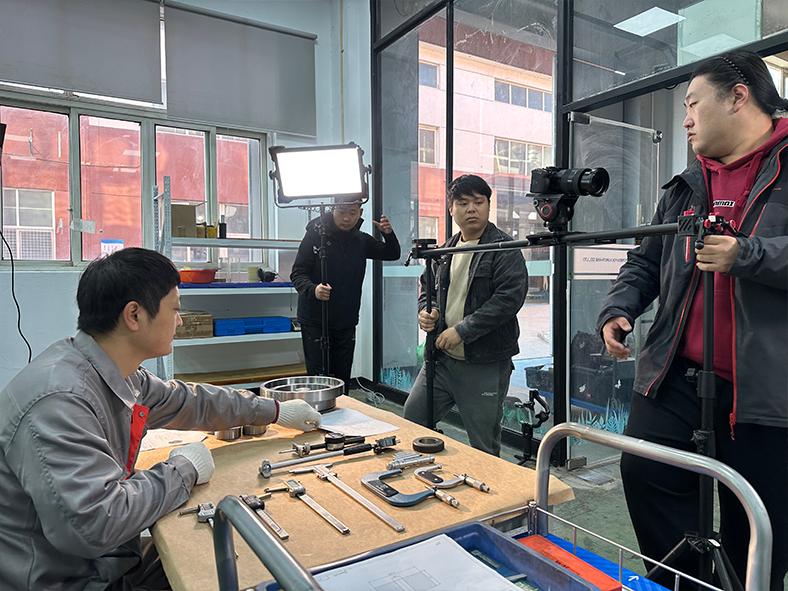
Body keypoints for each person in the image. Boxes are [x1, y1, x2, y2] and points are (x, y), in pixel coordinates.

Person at [0, 247, 321, 590]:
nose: (179, 321)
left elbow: (189, 402)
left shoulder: (114, 372)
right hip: (67, 580)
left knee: (216, 554)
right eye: (175, 309)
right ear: (134, 315)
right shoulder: (60, 401)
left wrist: (274, 410)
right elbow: (95, 525)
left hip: (106, 562)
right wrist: (183, 469)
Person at [597, 50, 787, 590]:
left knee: (761, 524)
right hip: (675, 375)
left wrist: (747, 255)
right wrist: (619, 308)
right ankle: (685, 583)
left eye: (692, 104)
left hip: (768, 390)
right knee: (645, 471)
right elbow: (645, 260)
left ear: (738, 97)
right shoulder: (687, 184)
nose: (685, 119)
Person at [404, 174, 527, 456]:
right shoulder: (445, 250)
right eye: (462, 203)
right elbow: (427, 288)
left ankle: (485, 485)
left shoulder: (502, 249)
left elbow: (508, 300)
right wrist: (427, 311)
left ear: (488, 206)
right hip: (441, 360)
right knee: (413, 418)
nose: (471, 209)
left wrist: (462, 330)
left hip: (484, 362)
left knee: (484, 445)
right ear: (451, 209)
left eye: (478, 202)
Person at [290, 199, 400, 391]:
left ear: (360, 212)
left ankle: (343, 406)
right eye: (341, 211)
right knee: (318, 379)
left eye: (352, 212)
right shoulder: (315, 235)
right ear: (332, 209)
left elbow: (392, 253)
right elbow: (298, 273)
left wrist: (388, 234)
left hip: (346, 319)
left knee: (342, 377)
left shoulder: (361, 240)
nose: (347, 218)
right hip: (315, 319)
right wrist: (313, 289)